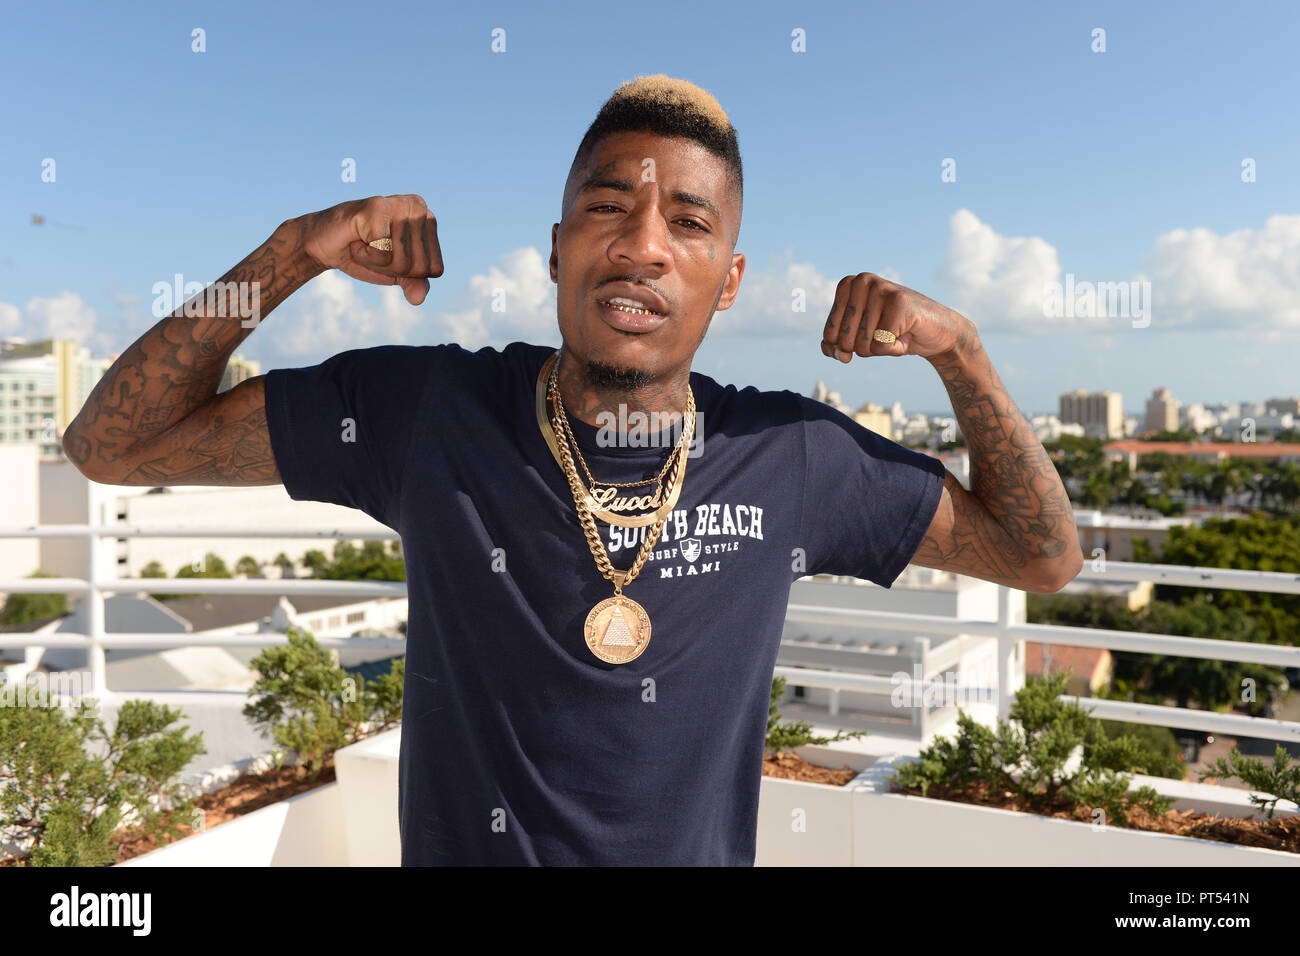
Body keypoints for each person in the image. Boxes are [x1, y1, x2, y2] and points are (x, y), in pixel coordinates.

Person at [63, 74, 1082, 865]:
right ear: (556, 249)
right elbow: (114, 444)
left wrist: (961, 351)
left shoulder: (792, 454)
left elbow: (1041, 557)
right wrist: (292, 251)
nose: (641, 246)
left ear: (727, 280)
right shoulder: (425, 413)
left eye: (688, 221)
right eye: (607, 209)